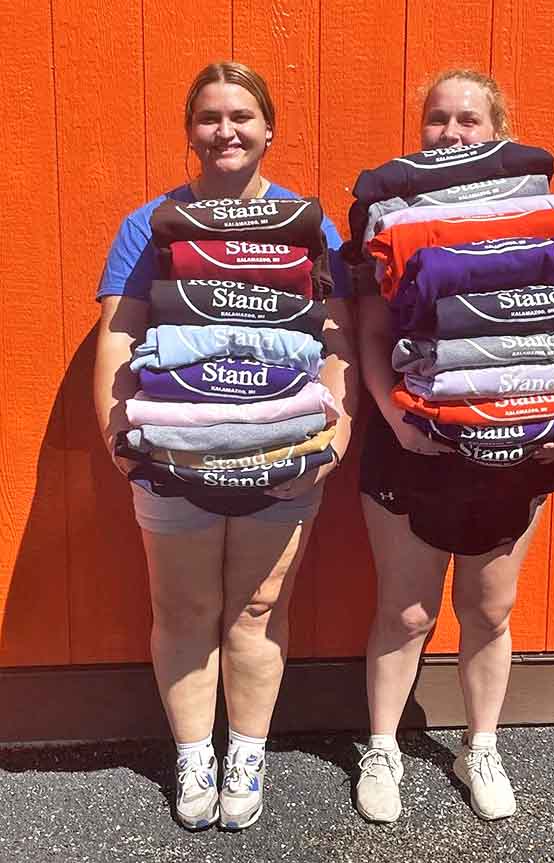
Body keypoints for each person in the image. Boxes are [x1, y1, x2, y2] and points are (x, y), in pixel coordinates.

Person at [94, 61, 356, 832]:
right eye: (210, 117)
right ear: (191, 131)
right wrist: (121, 440)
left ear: (268, 128)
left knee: (258, 608)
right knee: (182, 606)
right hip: (172, 454)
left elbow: (336, 335)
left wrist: (334, 433)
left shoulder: (308, 224)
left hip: (285, 453)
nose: (226, 130)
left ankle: (246, 750)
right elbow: (118, 336)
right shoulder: (153, 223)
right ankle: (192, 753)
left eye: (241, 115)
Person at [355, 69, 554, 823]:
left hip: (515, 436)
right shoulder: (387, 210)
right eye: (436, 120)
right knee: (409, 609)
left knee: (490, 606)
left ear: (499, 130)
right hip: (412, 437)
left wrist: (539, 414)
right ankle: (382, 746)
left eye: (468, 120)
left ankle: (479, 743)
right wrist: (395, 420)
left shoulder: (534, 211)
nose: (451, 133)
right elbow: (372, 326)